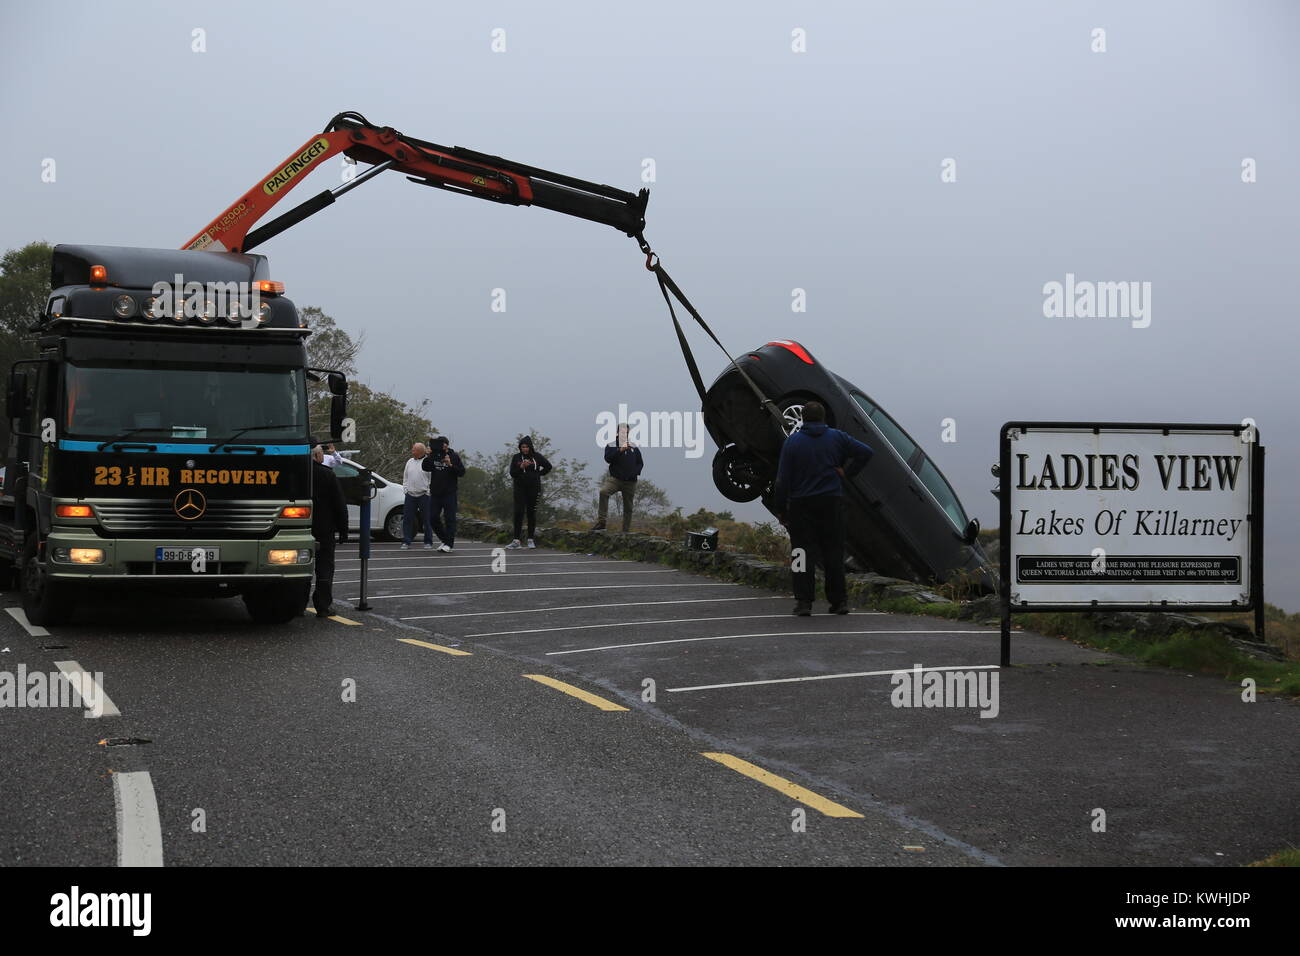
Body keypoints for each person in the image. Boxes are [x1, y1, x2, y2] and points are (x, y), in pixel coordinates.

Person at [773, 401, 873, 616]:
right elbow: (866, 452)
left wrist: (781, 510)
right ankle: (839, 602)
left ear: (803, 418)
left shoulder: (793, 442)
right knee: (833, 553)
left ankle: (804, 603)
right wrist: (848, 473)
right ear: (823, 417)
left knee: (801, 554)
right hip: (831, 502)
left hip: (801, 505)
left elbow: (782, 481)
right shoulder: (837, 437)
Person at [310, 443, 348, 616]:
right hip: (324, 528)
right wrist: (343, 529)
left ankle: (298, 604)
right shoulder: (327, 475)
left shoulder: (297, 474)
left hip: (300, 527)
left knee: (300, 567)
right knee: (325, 567)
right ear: (318, 456)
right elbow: (339, 504)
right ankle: (323, 605)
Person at [593, 423, 643, 532]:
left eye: (627, 432)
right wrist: (620, 450)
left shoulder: (634, 446)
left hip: (630, 482)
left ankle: (625, 531)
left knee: (628, 507)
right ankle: (601, 523)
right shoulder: (611, 445)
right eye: (623, 432)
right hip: (615, 479)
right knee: (603, 492)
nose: (625, 434)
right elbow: (608, 458)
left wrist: (635, 472)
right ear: (618, 432)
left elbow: (640, 463)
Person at [507, 435, 551, 549]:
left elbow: (548, 466)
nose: (525, 449)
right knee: (519, 513)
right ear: (520, 448)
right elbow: (512, 473)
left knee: (531, 513)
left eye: (526, 447)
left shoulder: (537, 457)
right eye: (522, 447)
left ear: (530, 447)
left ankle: (530, 539)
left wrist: (538, 474)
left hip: (534, 489)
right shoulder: (516, 457)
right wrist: (521, 466)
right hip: (520, 489)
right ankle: (516, 541)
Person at [422, 436, 465, 553]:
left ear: (446, 445)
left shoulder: (454, 456)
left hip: (449, 493)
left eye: (443, 443)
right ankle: (445, 540)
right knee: (432, 518)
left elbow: (461, 472)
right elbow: (425, 467)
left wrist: (450, 464)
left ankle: (449, 544)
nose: (441, 446)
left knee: (449, 519)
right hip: (436, 493)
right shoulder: (434, 456)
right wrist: (428, 455)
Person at [401, 442, 435, 550]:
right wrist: (405, 489)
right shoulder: (409, 462)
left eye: (414, 450)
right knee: (407, 519)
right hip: (410, 495)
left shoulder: (428, 462)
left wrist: (428, 491)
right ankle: (406, 541)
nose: (412, 451)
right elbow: (405, 477)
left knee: (426, 519)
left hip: (424, 495)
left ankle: (428, 542)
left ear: (420, 451)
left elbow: (432, 479)